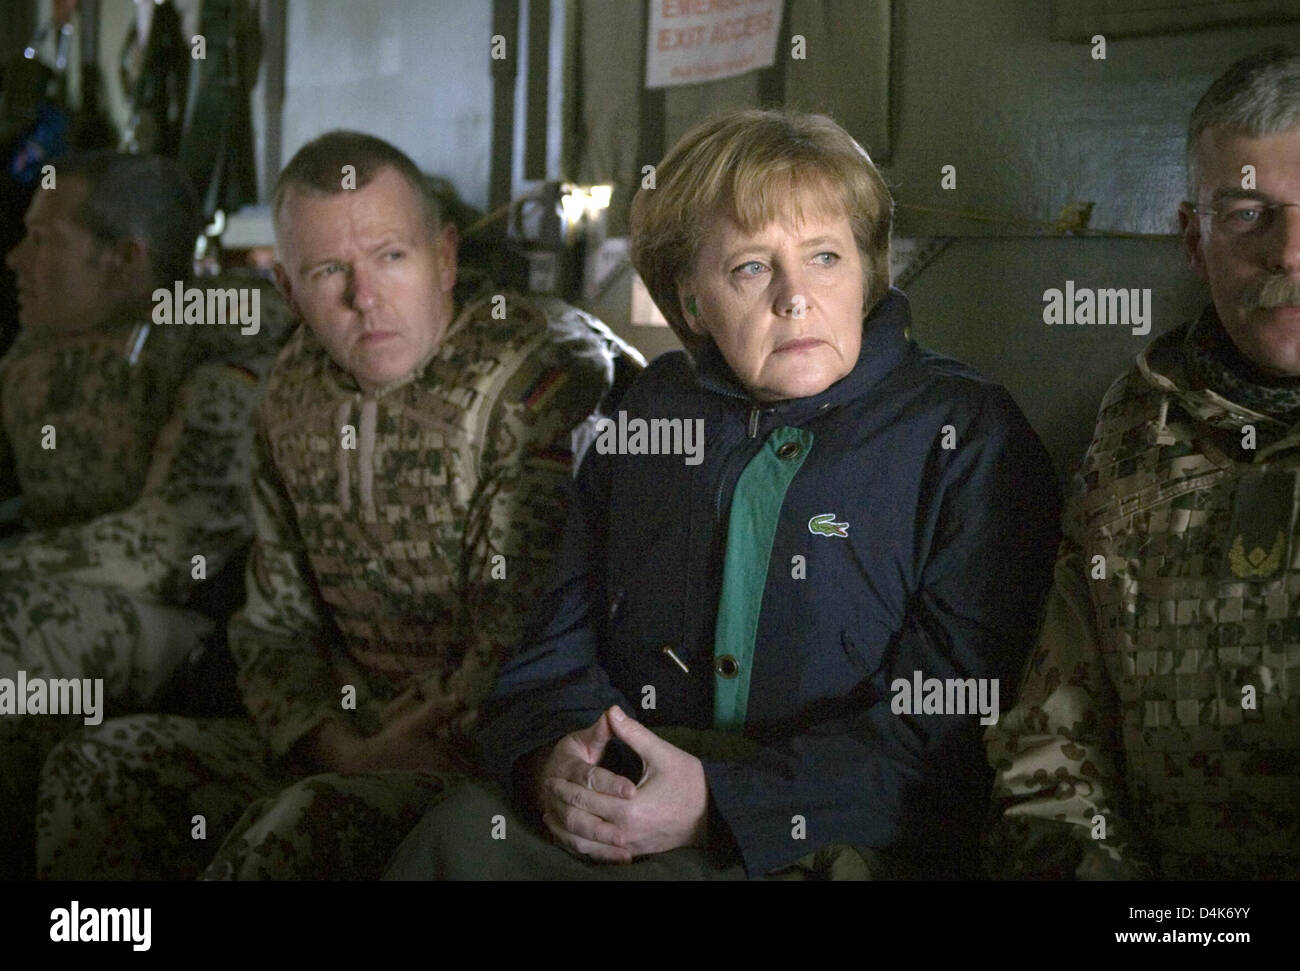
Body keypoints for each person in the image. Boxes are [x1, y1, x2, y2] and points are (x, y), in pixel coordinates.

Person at [384, 109, 1060, 881]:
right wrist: (556, 766)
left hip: (837, 827)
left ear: (870, 272)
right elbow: (550, 653)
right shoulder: (650, 411)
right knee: (455, 837)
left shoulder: (966, 435)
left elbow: (950, 726)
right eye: (750, 267)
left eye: (826, 257)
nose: (794, 298)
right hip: (632, 794)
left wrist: (718, 800)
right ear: (691, 296)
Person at [35, 130, 637, 880]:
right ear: (288, 291)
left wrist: (374, 757)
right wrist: (334, 742)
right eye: (328, 271)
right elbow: (272, 624)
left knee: (291, 832)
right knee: (99, 770)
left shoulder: (537, 378)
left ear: (445, 257)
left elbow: (518, 644)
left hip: (498, 761)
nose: (365, 297)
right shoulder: (289, 395)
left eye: (392, 256)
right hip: (341, 736)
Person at [985, 46, 1300, 880]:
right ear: (1193, 239)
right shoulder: (1134, 427)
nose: (1290, 254)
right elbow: (1055, 741)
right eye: (1247, 213)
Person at [0, 150, 288, 878]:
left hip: (200, 627)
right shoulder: (49, 351)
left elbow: (165, 546)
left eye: (44, 241)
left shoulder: (227, 354)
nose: (14, 258)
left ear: (125, 260)